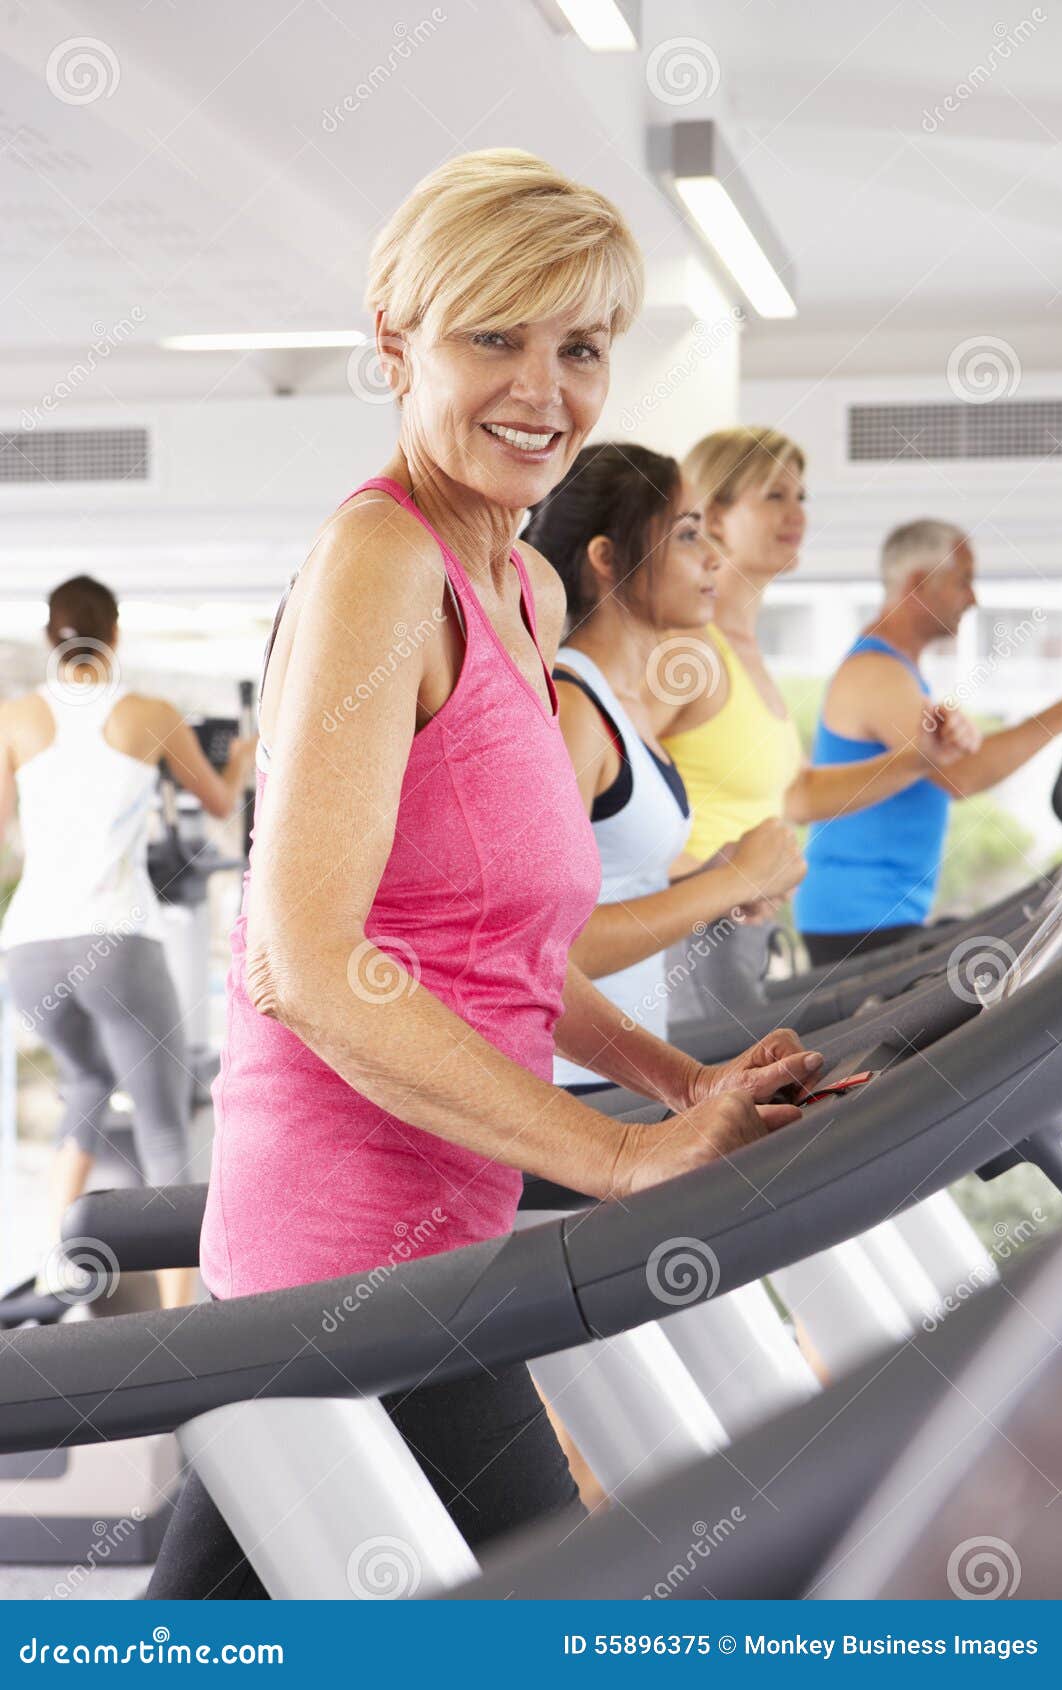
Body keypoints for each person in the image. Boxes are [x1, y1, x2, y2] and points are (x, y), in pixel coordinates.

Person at [147, 150, 823, 1600]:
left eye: (577, 347)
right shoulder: (376, 559)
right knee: (554, 1605)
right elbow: (306, 960)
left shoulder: (517, 581)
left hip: (446, 1228)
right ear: (394, 348)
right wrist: (614, 1158)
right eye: (491, 336)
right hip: (339, 1262)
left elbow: (501, 944)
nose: (542, 388)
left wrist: (667, 1084)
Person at [658, 428, 974, 1024]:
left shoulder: (747, 651)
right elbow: (596, 810)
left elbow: (797, 795)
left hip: (745, 929)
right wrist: (712, 877)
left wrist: (917, 756)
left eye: (801, 498)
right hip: (689, 936)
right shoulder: (684, 651)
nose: (797, 514)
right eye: (775, 496)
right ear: (715, 515)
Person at [0, 574, 256, 1311]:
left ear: (53, 634)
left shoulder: (16, 718)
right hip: (117, 941)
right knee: (162, 1122)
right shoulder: (149, 712)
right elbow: (215, 802)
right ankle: (179, 1323)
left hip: (31, 948)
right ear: (113, 635)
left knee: (82, 1090)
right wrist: (239, 757)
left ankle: (59, 1274)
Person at [522, 441, 805, 1093]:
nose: (713, 557)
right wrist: (728, 881)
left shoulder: (621, 704)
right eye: (686, 535)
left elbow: (613, 885)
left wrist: (711, 879)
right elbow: (546, 950)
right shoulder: (572, 708)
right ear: (605, 559)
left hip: (623, 1070)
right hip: (567, 1085)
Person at [795, 519, 1062, 964]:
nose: (974, 599)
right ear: (919, 584)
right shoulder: (877, 673)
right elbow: (960, 775)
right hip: (857, 922)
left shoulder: (899, 671)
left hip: (874, 917)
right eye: (963, 581)